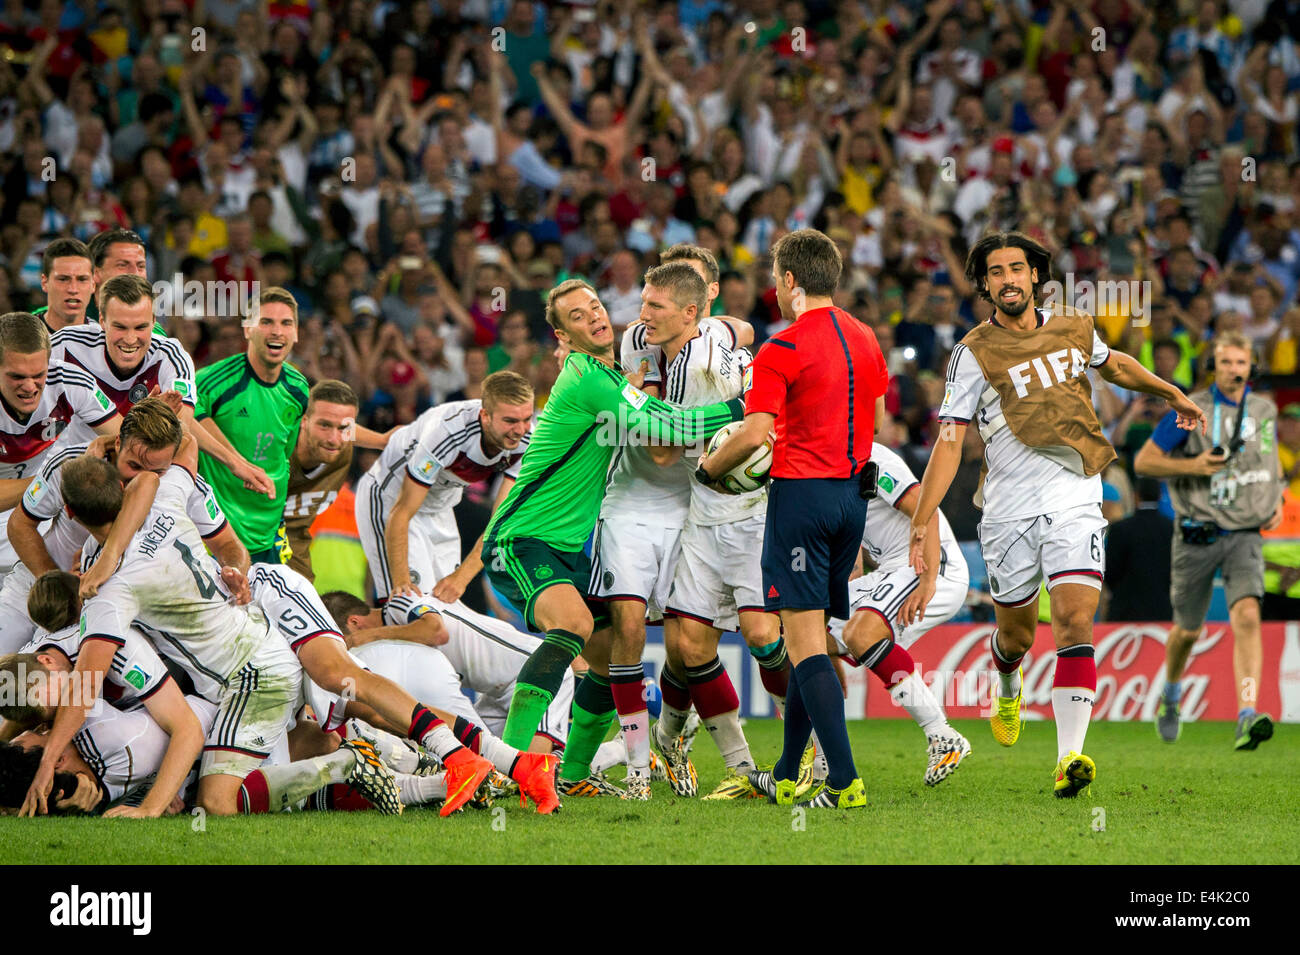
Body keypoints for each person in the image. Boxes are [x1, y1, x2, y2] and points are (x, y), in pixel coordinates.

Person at [909, 231, 1206, 799]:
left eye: (1016, 268)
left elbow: (1113, 363)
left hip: (1075, 498)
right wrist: (922, 522)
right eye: (995, 272)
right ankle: (1008, 678)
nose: (1008, 280)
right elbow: (949, 442)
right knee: (1016, 637)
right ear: (985, 284)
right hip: (1007, 514)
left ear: (1036, 275)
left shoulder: (1072, 324)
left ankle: (1070, 756)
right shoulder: (972, 352)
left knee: (1073, 623)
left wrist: (1172, 393)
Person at [485, 279, 744, 758]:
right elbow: (670, 428)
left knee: (605, 661)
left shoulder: (610, 377)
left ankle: (574, 773)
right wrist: (743, 408)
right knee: (573, 625)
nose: (594, 317)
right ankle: (507, 766)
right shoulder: (587, 377)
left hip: (566, 548)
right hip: (522, 538)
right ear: (563, 336)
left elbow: (733, 331)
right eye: (577, 317)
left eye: (595, 307)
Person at [701, 228, 888, 810]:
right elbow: (876, 417)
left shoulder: (782, 348)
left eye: (774, 280)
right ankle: (785, 772)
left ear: (788, 281)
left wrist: (710, 469)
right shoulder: (866, 337)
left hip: (801, 499)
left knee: (804, 644)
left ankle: (844, 783)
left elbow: (755, 432)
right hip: (852, 500)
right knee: (815, 638)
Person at [1134, 331, 1283, 749]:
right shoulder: (1190, 408)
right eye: (1226, 362)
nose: (1234, 369)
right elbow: (1144, 461)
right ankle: (1172, 693)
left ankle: (1247, 714)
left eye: (1241, 362)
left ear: (1251, 365)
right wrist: (1197, 464)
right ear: (1213, 366)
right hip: (1197, 532)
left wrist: (1275, 497)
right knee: (1186, 631)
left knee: (1248, 616)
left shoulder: (1264, 409)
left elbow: (1268, 462)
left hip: (1245, 534)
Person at [826, 441, 973, 787]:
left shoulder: (870, 457)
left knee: (863, 634)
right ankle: (817, 762)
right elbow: (853, 554)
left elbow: (928, 509)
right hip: (891, 570)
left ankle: (942, 736)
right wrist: (829, 639)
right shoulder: (824, 462)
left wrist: (929, 577)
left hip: (930, 564)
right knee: (802, 633)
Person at [356, 371, 534, 605]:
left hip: (441, 504)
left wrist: (461, 579)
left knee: (446, 605)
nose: (520, 430)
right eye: (510, 421)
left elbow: (501, 522)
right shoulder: (448, 433)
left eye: (526, 419)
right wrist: (400, 583)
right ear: (485, 416)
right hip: (392, 497)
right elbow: (401, 511)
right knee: (408, 604)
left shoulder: (529, 440)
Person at [195, 287, 311, 562]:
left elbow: (283, 455)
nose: (277, 331)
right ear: (247, 330)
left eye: (286, 323)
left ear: (295, 334)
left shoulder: (299, 389)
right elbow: (186, 421)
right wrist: (239, 465)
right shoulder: (211, 382)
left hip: (270, 532)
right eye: (266, 322)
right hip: (215, 534)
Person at [1103, 477, 1174, 622]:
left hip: (1124, 612)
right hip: (1162, 611)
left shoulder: (1119, 529)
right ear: (1160, 496)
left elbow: (1109, 571)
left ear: (1135, 496)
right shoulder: (1172, 529)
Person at [34, 238, 95, 332]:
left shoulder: (105, 339)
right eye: (63, 279)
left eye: (82, 279)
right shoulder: (18, 336)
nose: (73, 289)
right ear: (44, 283)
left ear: (93, 284)